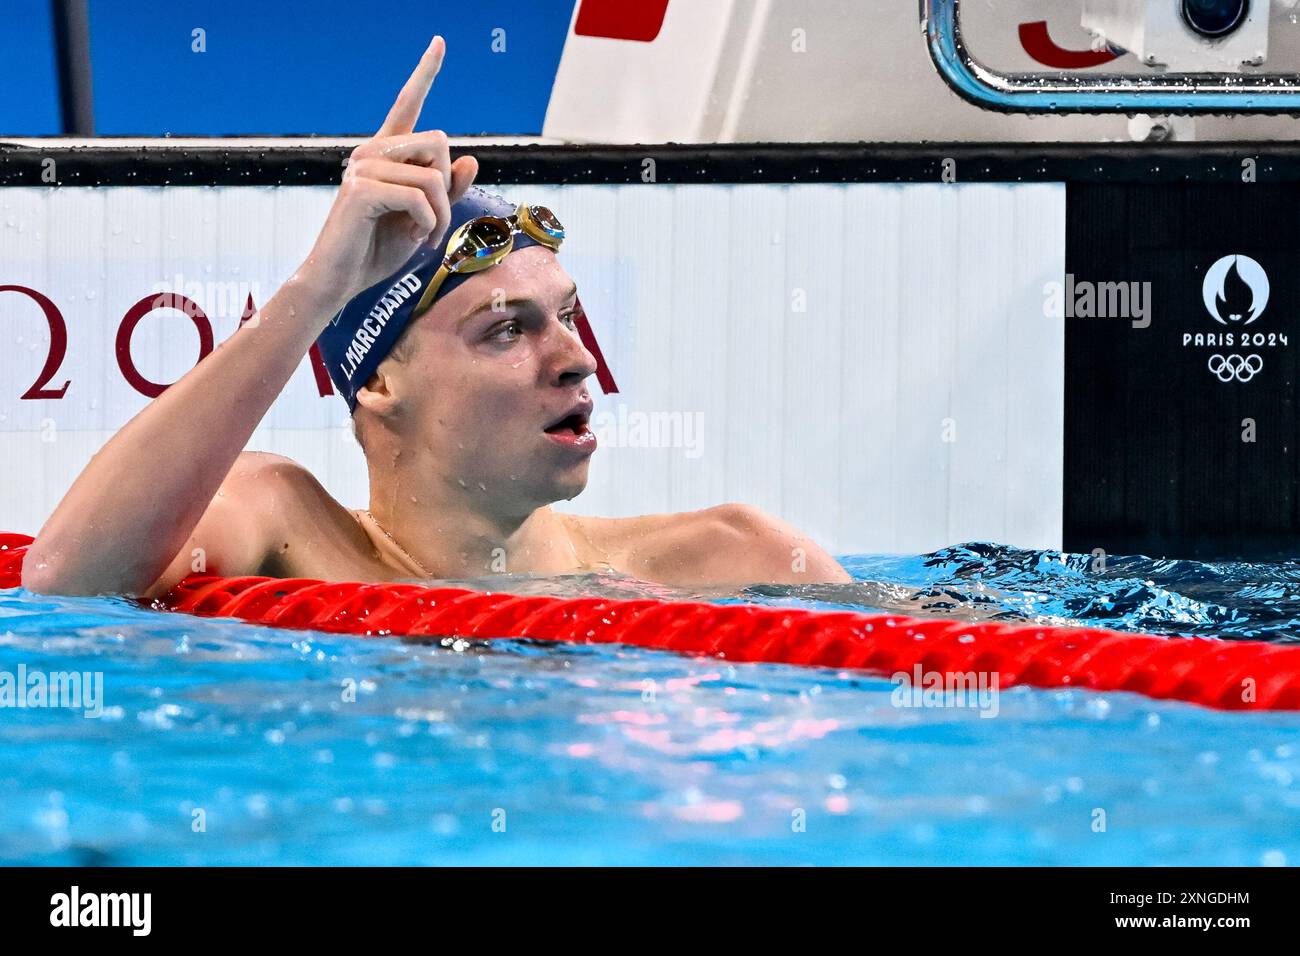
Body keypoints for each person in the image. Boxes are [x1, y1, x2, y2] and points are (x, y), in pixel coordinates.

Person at [23, 37, 850, 598]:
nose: (576, 361)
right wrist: (317, 289)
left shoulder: (732, 557)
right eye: (505, 328)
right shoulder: (288, 528)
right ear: (379, 380)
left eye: (567, 318)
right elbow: (66, 581)